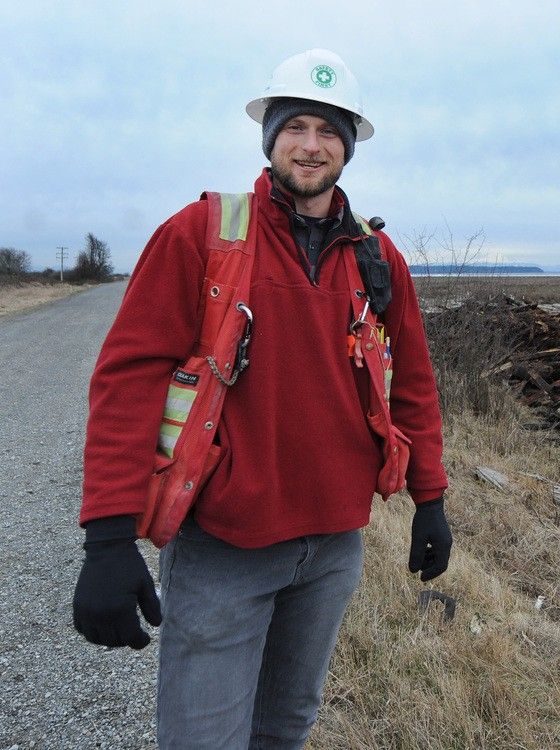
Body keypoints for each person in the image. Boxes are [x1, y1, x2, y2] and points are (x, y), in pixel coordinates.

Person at [72, 49, 452, 748]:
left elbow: (416, 386)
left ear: (349, 147)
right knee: (204, 739)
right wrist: (107, 537)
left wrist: (431, 497)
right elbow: (127, 381)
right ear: (270, 135)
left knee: (284, 729)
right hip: (224, 545)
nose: (312, 146)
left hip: (334, 546)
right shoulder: (202, 234)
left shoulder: (376, 256)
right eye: (297, 126)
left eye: (330, 131)